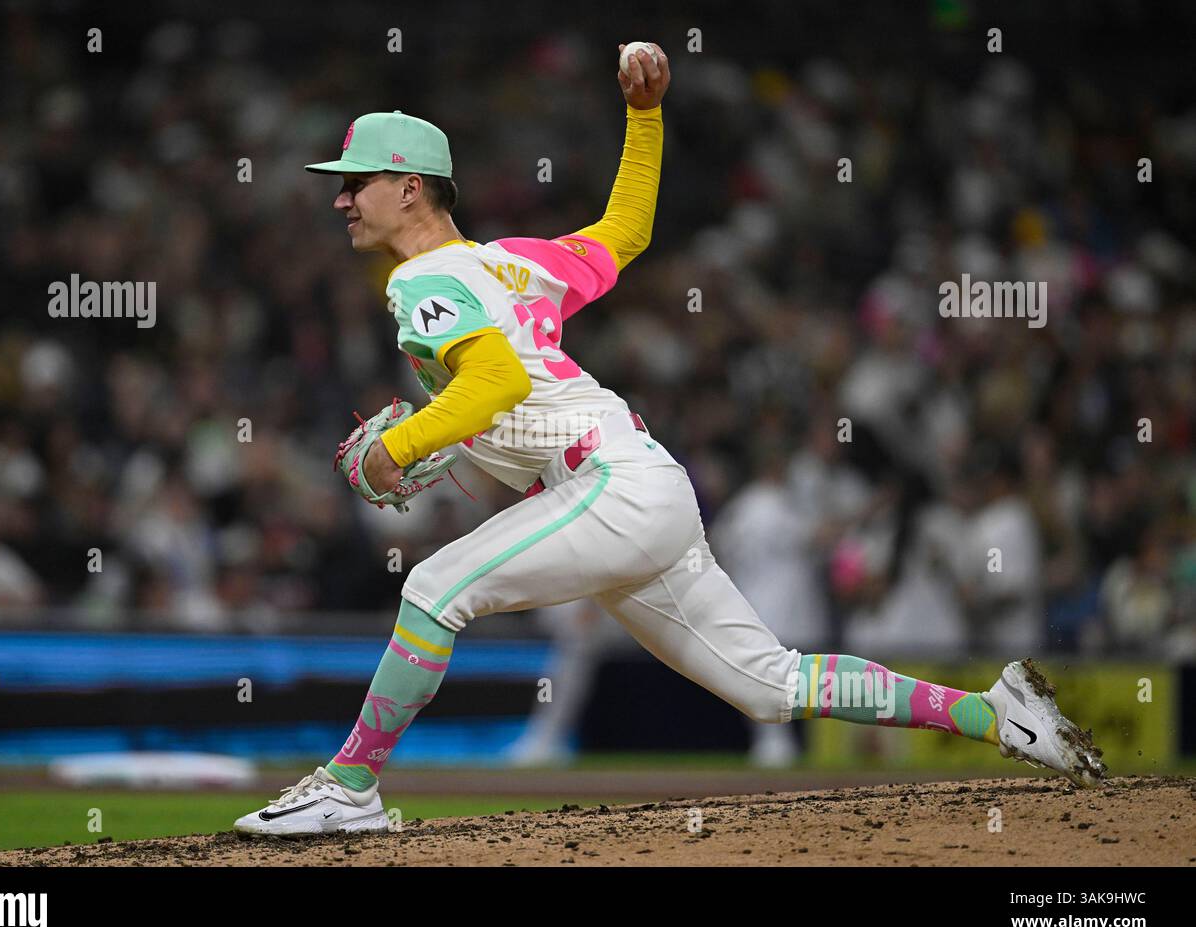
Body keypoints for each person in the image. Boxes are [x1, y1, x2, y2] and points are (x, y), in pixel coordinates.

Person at [235, 42, 1104, 836]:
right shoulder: (511, 262)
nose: (341, 198)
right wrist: (645, 116)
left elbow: (496, 383)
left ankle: (349, 786)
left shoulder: (421, 279)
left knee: (432, 587)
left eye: (355, 181)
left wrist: (397, 448)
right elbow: (625, 234)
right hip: (636, 485)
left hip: (606, 487)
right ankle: (995, 713)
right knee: (769, 686)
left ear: (410, 187)